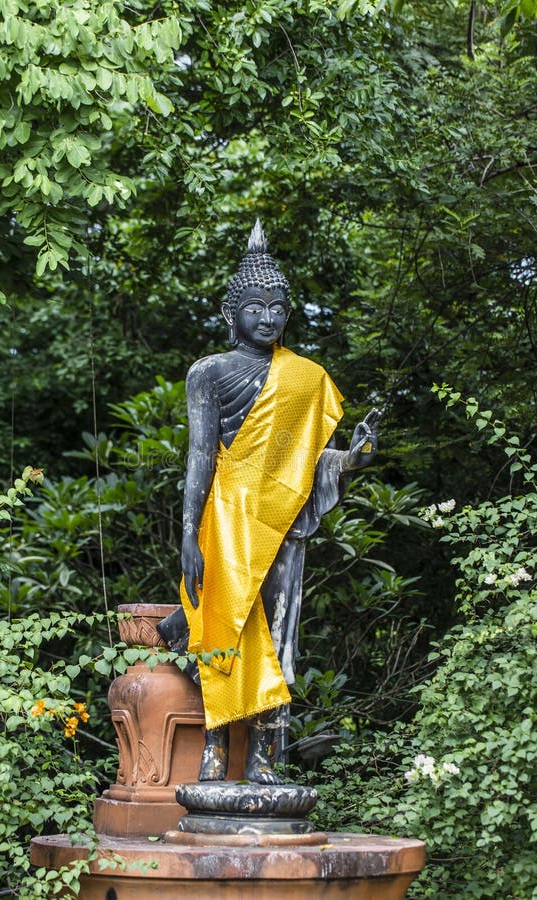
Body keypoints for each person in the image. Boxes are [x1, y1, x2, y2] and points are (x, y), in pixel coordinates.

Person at [159, 221, 380, 784]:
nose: (268, 316)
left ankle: (265, 760)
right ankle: (213, 752)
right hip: (225, 519)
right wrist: (188, 534)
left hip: (279, 525)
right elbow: (200, 457)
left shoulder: (304, 380)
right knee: (218, 630)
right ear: (231, 310)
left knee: (279, 635)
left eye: (278, 307)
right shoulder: (208, 373)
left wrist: (352, 459)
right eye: (255, 305)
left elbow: (310, 461)